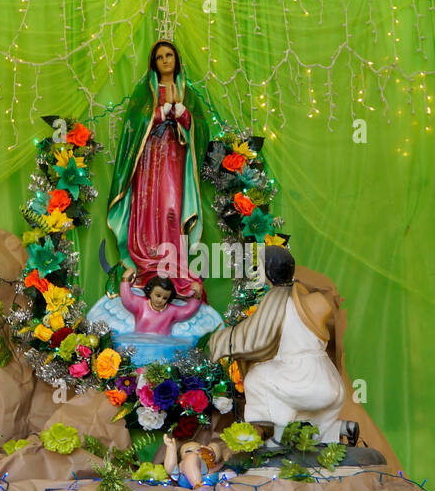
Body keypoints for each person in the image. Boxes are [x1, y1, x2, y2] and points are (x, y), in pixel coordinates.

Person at [207, 245, 402, 468]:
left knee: (257, 378)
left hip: (302, 378)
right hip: (330, 382)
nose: (257, 272)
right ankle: (338, 429)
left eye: (259, 267)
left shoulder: (276, 300)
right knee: (308, 410)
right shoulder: (307, 299)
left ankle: (279, 438)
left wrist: (221, 340)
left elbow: (253, 336)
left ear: (269, 271)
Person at [107, 40, 207, 299]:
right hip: (149, 162)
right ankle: (147, 264)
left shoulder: (188, 93)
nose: (165, 60)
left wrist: (184, 117)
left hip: (175, 161)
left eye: (169, 55)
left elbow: (201, 129)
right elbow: (133, 125)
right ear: (153, 63)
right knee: (149, 209)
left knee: (172, 209)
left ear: (176, 59)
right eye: (160, 57)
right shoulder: (145, 94)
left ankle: (172, 264)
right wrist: (158, 115)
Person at [118, 270, 201, 335]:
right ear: (150, 291)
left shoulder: (172, 311)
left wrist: (197, 295)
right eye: (158, 295)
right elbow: (127, 299)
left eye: (165, 298)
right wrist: (125, 279)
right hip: (140, 342)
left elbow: (188, 311)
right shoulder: (141, 305)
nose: (160, 300)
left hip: (162, 345)